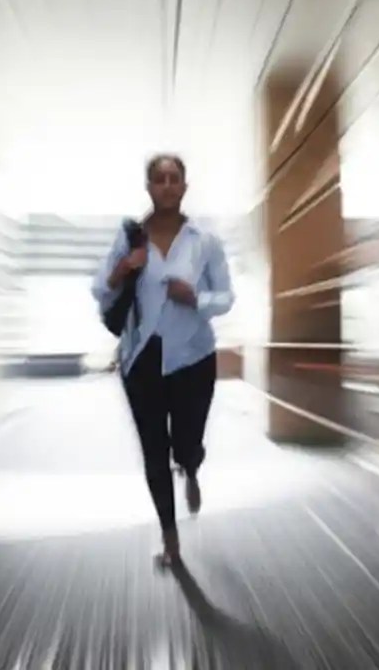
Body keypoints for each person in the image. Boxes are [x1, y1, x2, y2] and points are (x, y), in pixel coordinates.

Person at [91, 153, 234, 565]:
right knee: (154, 450)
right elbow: (101, 289)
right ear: (149, 188)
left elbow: (226, 297)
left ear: (185, 187)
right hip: (141, 360)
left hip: (194, 357)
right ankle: (170, 541)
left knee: (186, 443)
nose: (168, 185)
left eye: (175, 178)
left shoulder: (204, 242)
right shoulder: (130, 237)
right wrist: (124, 268)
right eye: (159, 179)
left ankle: (190, 466)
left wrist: (197, 298)